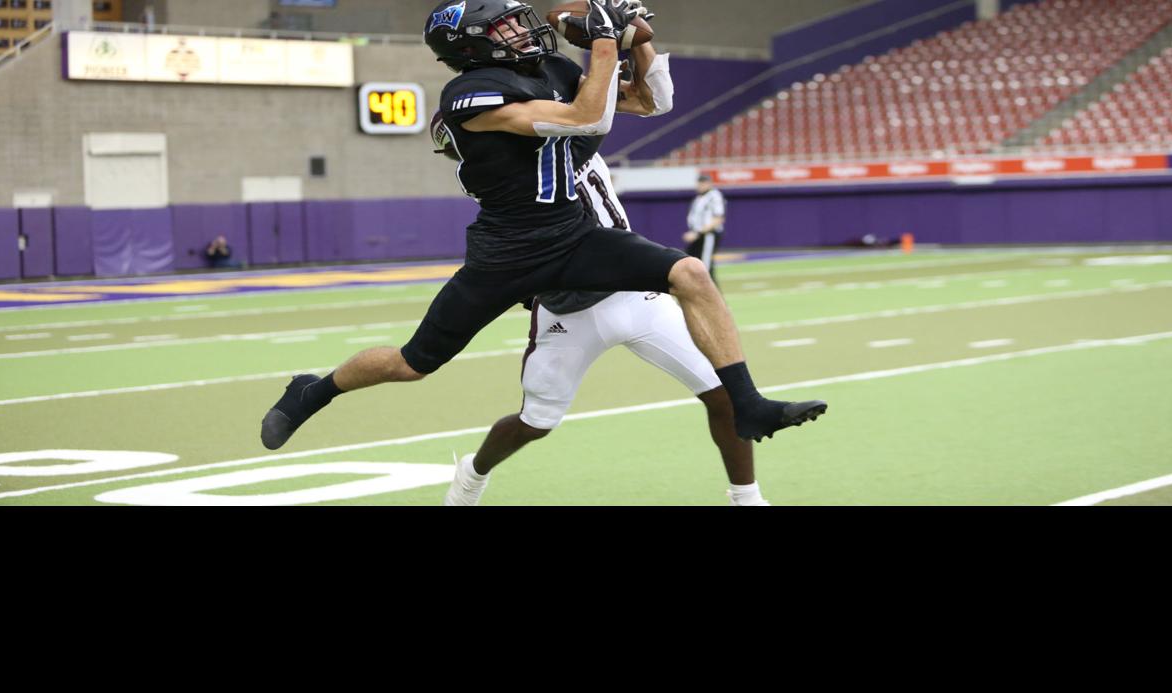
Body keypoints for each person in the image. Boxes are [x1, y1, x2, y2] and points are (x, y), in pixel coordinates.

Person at [258, 0, 824, 454]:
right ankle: (316, 388)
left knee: (690, 272)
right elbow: (585, 116)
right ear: (472, 46)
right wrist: (604, 41)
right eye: (505, 27)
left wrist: (637, 40)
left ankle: (747, 401)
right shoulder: (467, 94)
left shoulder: (547, 68)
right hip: (508, 250)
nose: (521, 31)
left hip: (573, 235)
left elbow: (648, 102)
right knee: (413, 363)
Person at [431, 54, 774, 506]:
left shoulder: (560, 137)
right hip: (567, 309)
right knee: (535, 421)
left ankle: (747, 499)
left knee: (724, 393)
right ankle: (473, 474)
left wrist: (630, 43)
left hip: (635, 293)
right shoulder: (498, 180)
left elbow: (643, 103)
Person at [683, 172, 725, 282]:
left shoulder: (714, 196)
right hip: (698, 235)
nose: (700, 185)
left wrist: (698, 232)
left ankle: (714, 298)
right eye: (699, 182)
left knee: (705, 269)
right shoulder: (699, 198)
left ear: (709, 183)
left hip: (707, 235)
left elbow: (718, 218)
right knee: (689, 263)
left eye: (703, 182)